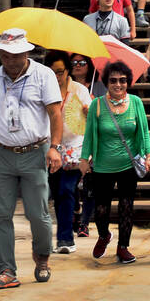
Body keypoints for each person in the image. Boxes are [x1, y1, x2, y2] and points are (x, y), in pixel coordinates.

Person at [0, 28, 64, 290]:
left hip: (35, 152)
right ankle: (6, 270)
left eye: (15, 54)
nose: (10, 60)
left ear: (26, 52)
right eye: (4, 55)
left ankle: (42, 257)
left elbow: (55, 115)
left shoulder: (43, 75)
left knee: (38, 215)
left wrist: (55, 148)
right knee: (1, 216)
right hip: (1, 154)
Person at [79, 59, 150, 264]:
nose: (118, 85)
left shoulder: (136, 102)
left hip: (128, 165)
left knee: (126, 206)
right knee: (101, 209)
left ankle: (123, 247)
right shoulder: (97, 104)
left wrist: (149, 154)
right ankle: (104, 235)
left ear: (128, 82)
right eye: (113, 81)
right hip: (103, 166)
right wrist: (84, 159)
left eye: (122, 80)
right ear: (107, 82)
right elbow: (88, 135)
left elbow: (144, 133)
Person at [45, 51, 91, 255]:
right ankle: (75, 211)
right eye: (52, 72)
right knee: (58, 192)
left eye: (60, 72)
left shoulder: (79, 90)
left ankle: (65, 238)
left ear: (68, 71)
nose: (57, 77)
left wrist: (90, 111)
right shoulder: (43, 91)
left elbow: (92, 118)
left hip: (75, 147)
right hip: (51, 148)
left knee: (65, 189)